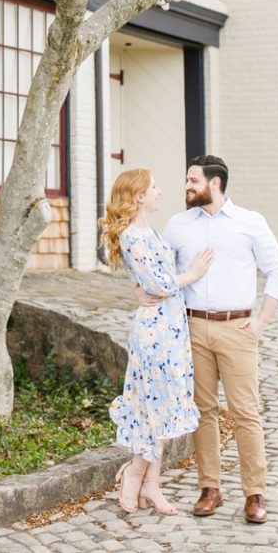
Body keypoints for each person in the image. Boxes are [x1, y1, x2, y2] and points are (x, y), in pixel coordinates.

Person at [161, 154, 278, 525]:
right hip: (193, 328)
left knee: (245, 412)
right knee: (202, 411)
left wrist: (261, 322)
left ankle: (254, 494)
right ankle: (209, 488)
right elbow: (163, 275)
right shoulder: (177, 225)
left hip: (237, 328)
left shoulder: (250, 222)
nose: (187, 186)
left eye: (193, 180)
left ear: (214, 183)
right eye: (188, 180)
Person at [99, 167, 212, 515]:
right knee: (151, 403)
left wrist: (144, 285)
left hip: (172, 326)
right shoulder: (133, 236)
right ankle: (134, 474)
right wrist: (193, 273)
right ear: (139, 196)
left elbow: (153, 279)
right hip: (155, 331)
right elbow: (159, 284)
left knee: (163, 404)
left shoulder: (150, 230)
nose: (160, 191)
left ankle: (151, 483)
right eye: (154, 187)